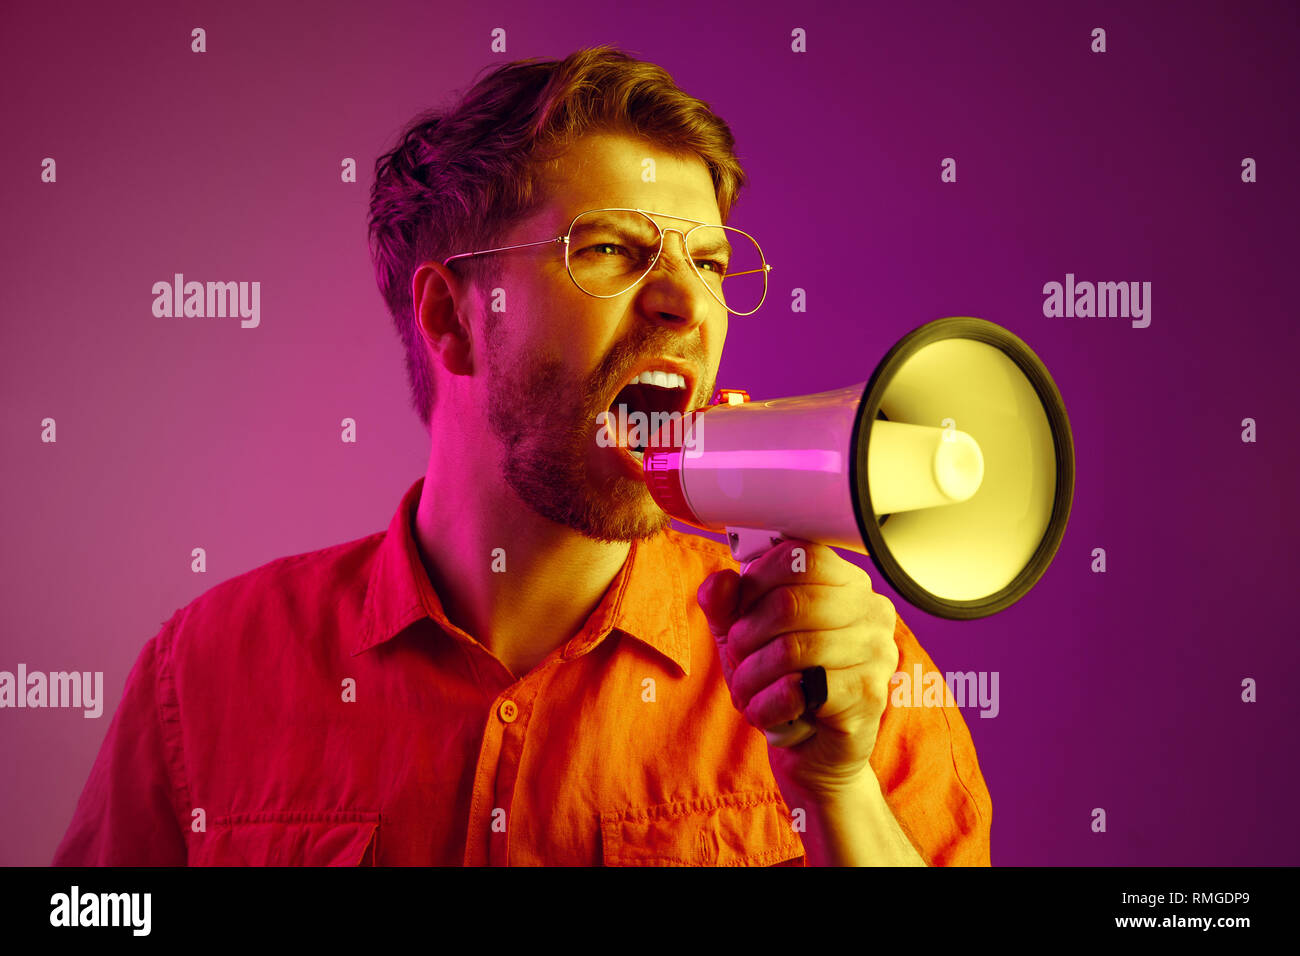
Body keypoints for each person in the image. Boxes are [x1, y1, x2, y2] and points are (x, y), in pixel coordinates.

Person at [52, 46, 991, 866]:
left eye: (709, 263)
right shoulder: (204, 673)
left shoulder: (838, 667)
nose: (690, 305)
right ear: (451, 321)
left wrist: (835, 791)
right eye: (616, 250)